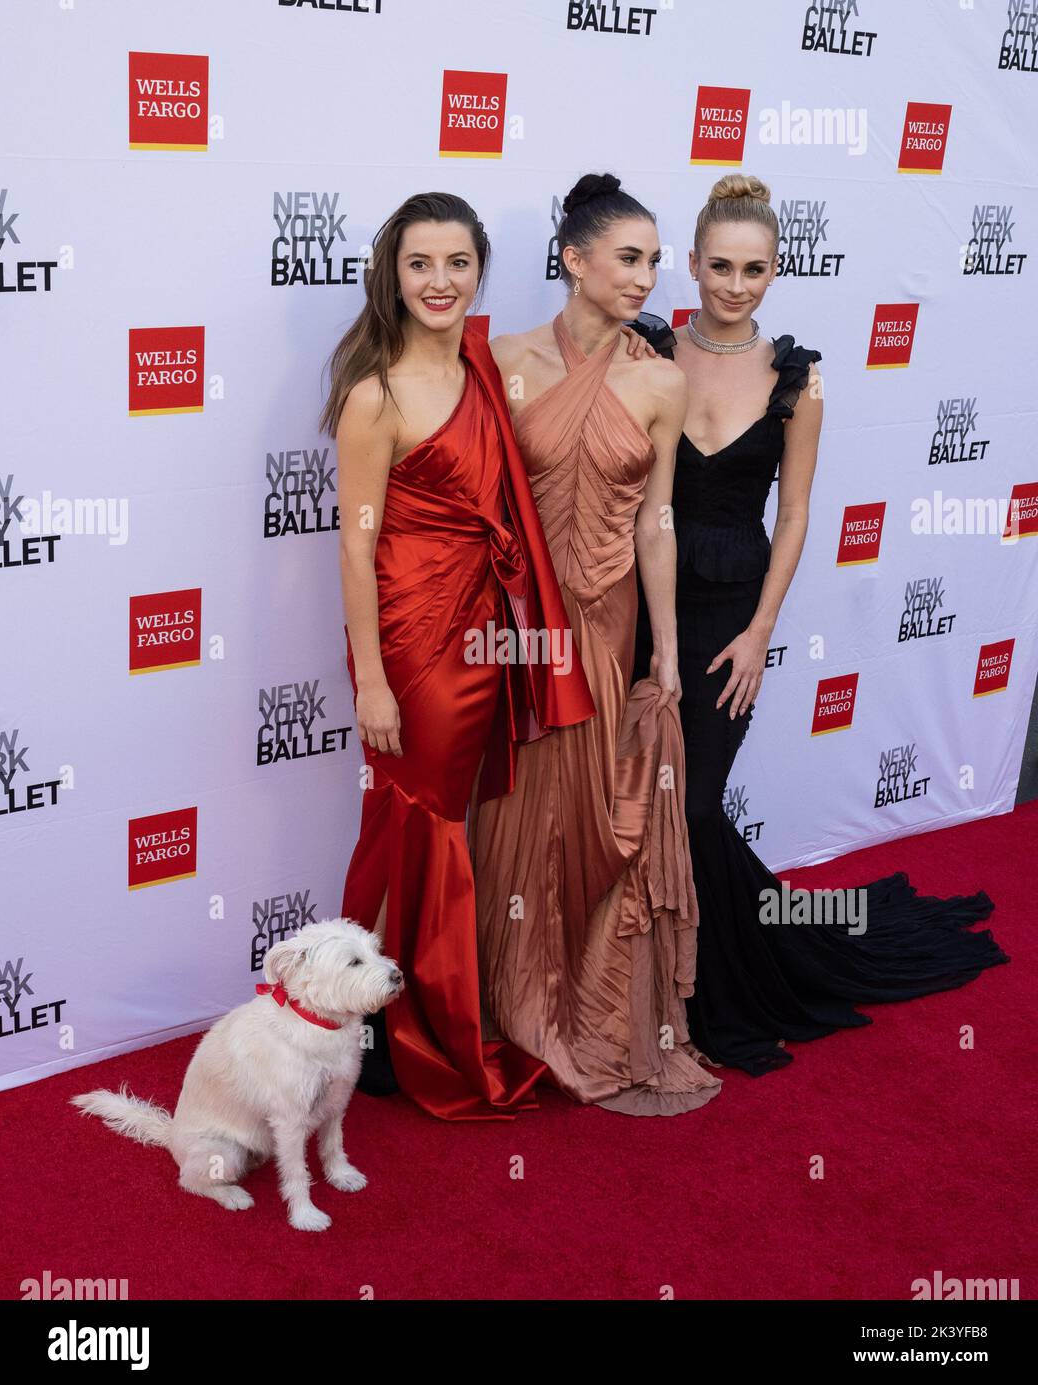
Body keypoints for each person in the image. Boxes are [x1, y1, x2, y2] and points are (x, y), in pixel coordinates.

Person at [627, 173, 1009, 1076]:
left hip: (729, 611)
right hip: (640, 603)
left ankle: (726, 983)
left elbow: (794, 515)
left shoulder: (799, 380)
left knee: (694, 799)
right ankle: (656, 979)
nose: (734, 285)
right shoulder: (647, 356)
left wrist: (762, 630)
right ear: (691, 265)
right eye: (718, 266)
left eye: (753, 269)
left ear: (776, 271)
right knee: (643, 802)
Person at [319, 192, 596, 1120]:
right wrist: (370, 679)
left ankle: (365, 1023)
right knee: (421, 826)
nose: (440, 282)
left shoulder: (486, 365)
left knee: (426, 829)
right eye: (419, 264)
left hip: (484, 630)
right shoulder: (377, 395)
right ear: (391, 278)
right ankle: (417, 1030)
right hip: (412, 640)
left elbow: (581, 350)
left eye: (456, 263)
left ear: (480, 270)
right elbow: (356, 545)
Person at [468, 174, 723, 1116]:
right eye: (629, 257)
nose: (648, 277)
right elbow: (479, 510)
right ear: (572, 260)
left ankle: (589, 1008)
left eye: (655, 260)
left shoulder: (661, 380)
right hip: (520, 629)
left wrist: (664, 650)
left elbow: (657, 520)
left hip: (611, 629)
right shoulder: (500, 359)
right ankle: (508, 1011)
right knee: (514, 818)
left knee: (594, 828)